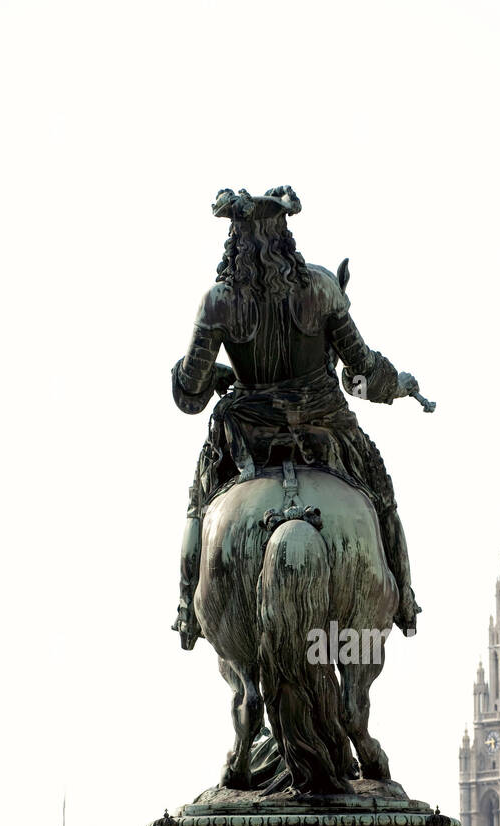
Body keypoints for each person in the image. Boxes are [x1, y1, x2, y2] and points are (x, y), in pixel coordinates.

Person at [171, 185, 422, 649]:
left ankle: (187, 605)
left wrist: (213, 375)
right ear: (284, 235)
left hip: (250, 435)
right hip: (325, 428)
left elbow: (189, 396)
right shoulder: (322, 287)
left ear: (234, 242)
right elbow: (363, 371)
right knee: (380, 494)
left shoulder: (218, 303)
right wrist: (398, 384)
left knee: (201, 501)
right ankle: (404, 596)